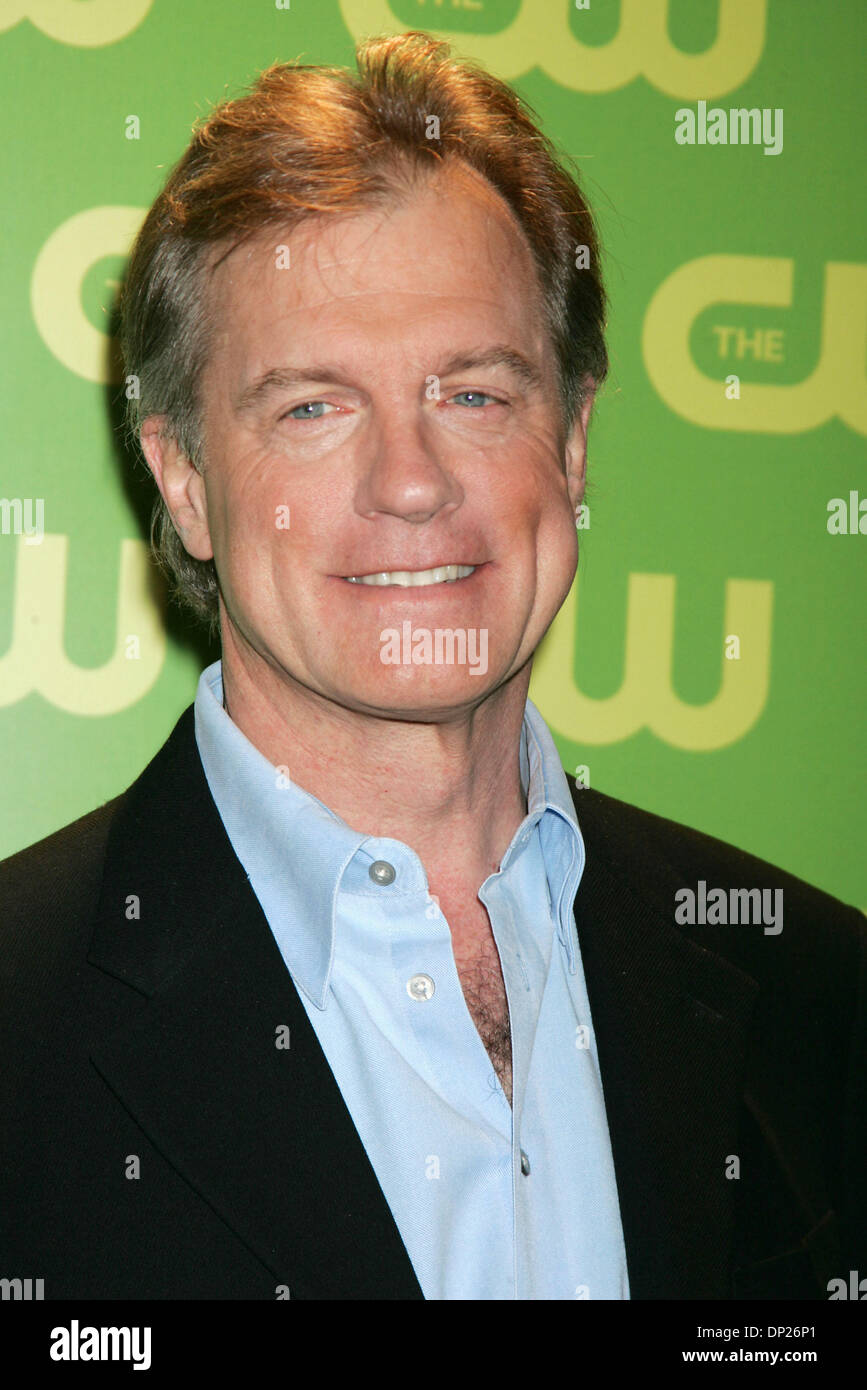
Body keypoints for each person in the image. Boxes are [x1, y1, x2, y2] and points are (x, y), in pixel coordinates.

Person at [1, 31, 863, 1301]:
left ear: (570, 447)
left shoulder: (821, 998)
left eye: (474, 393)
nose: (410, 481)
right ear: (185, 483)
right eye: (312, 406)